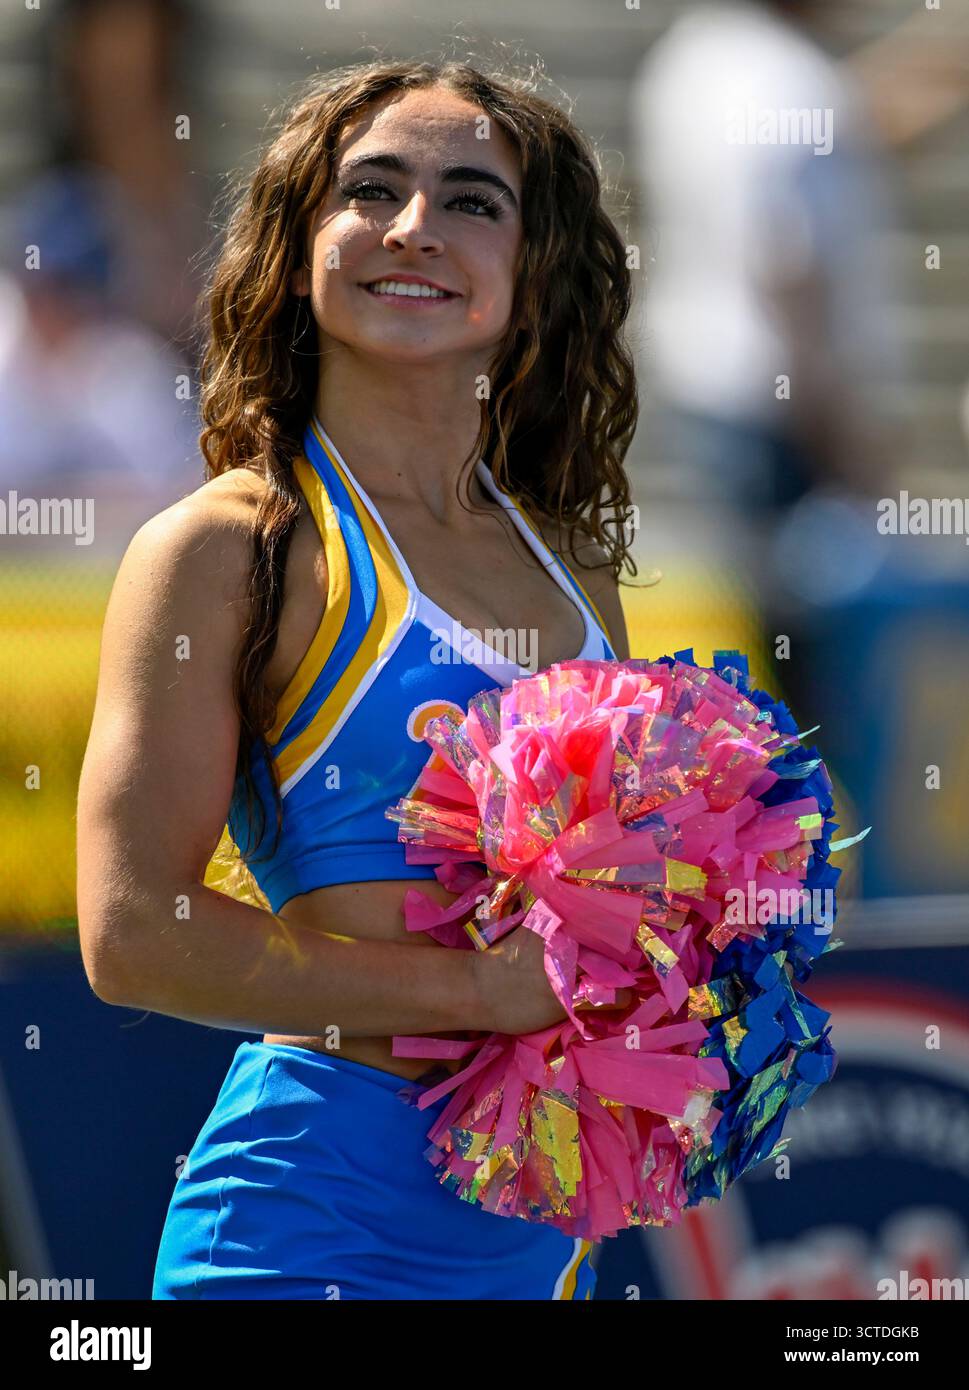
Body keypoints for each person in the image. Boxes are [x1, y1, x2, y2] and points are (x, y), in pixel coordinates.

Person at [75, 57, 638, 1300]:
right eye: (368, 190)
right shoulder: (229, 548)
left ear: (535, 264)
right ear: (297, 243)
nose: (413, 229)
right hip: (310, 1224)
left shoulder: (573, 566)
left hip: (544, 1229)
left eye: (472, 200)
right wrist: (476, 993)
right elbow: (131, 933)